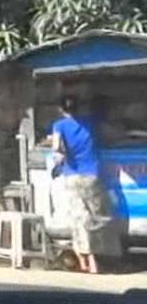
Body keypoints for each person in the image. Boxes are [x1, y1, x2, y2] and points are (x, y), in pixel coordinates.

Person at [49, 94, 113, 274]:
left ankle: (87, 262)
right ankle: (95, 259)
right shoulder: (90, 122)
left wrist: (56, 166)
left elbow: (57, 150)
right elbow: (106, 119)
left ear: (61, 109)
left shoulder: (59, 126)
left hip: (73, 176)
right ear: (78, 107)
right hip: (93, 174)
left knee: (79, 219)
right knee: (96, 217)